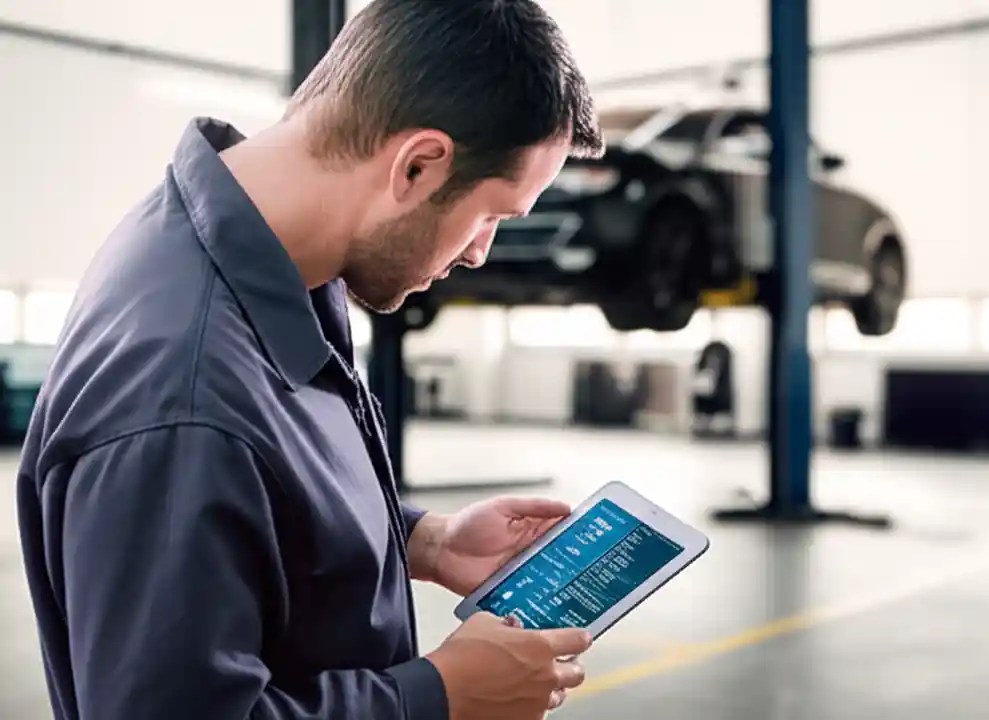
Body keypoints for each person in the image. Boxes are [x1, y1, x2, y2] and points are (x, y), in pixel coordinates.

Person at [14, 1, 605, 718]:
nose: (480, 252)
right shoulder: (182, 400)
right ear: (417, 165)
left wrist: (422, 539)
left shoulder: (266, 254)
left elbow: (260, 500)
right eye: (491, 215)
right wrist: (438, 696)